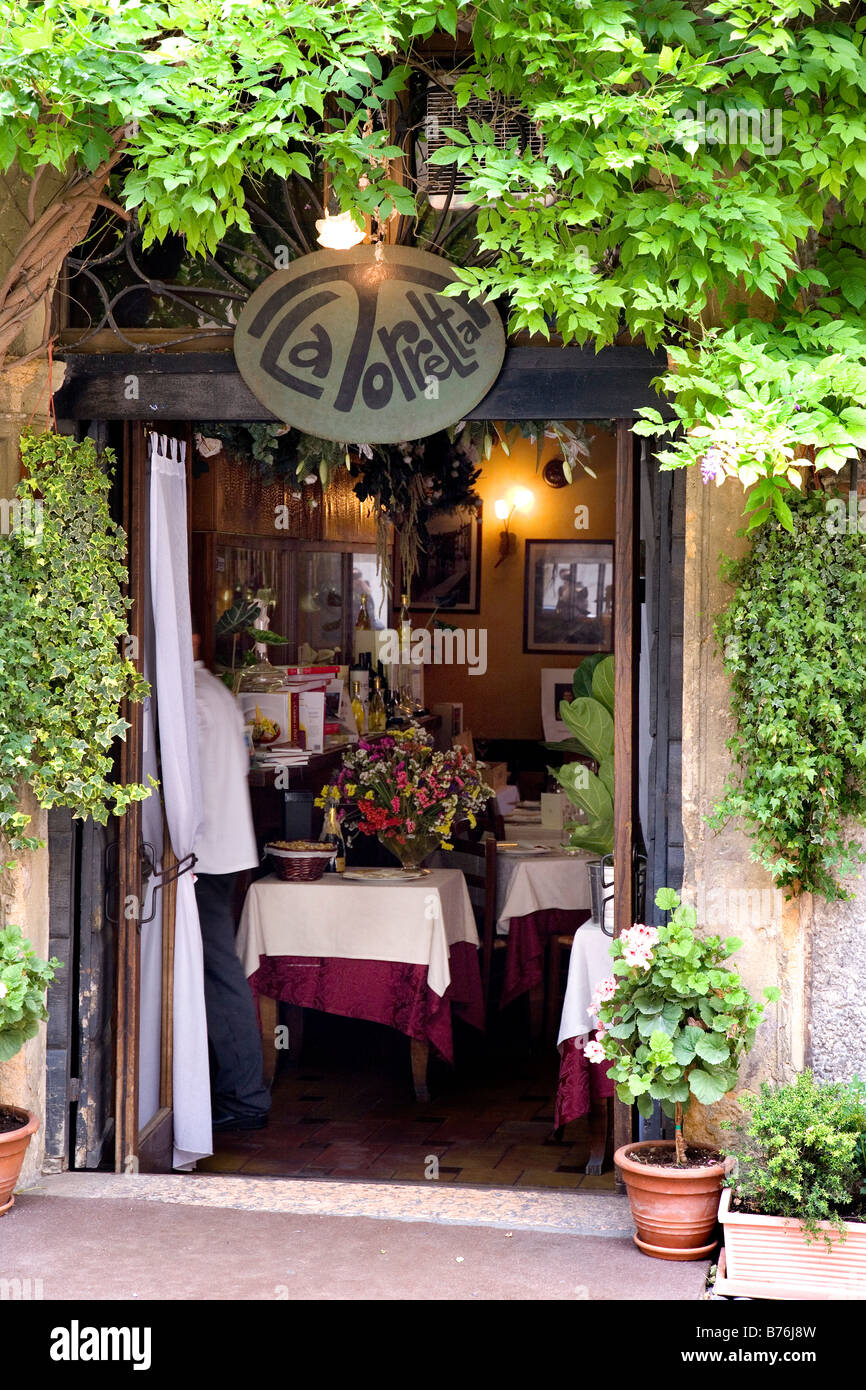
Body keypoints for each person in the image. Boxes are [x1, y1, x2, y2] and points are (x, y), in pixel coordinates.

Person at [192, 630, 271, 1132]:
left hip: (204, 857)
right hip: (221, 852)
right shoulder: (214, 693)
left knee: (219, 973)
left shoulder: (193, 700)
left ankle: (245, 1095)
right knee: (216, 971)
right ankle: (233, 1088)